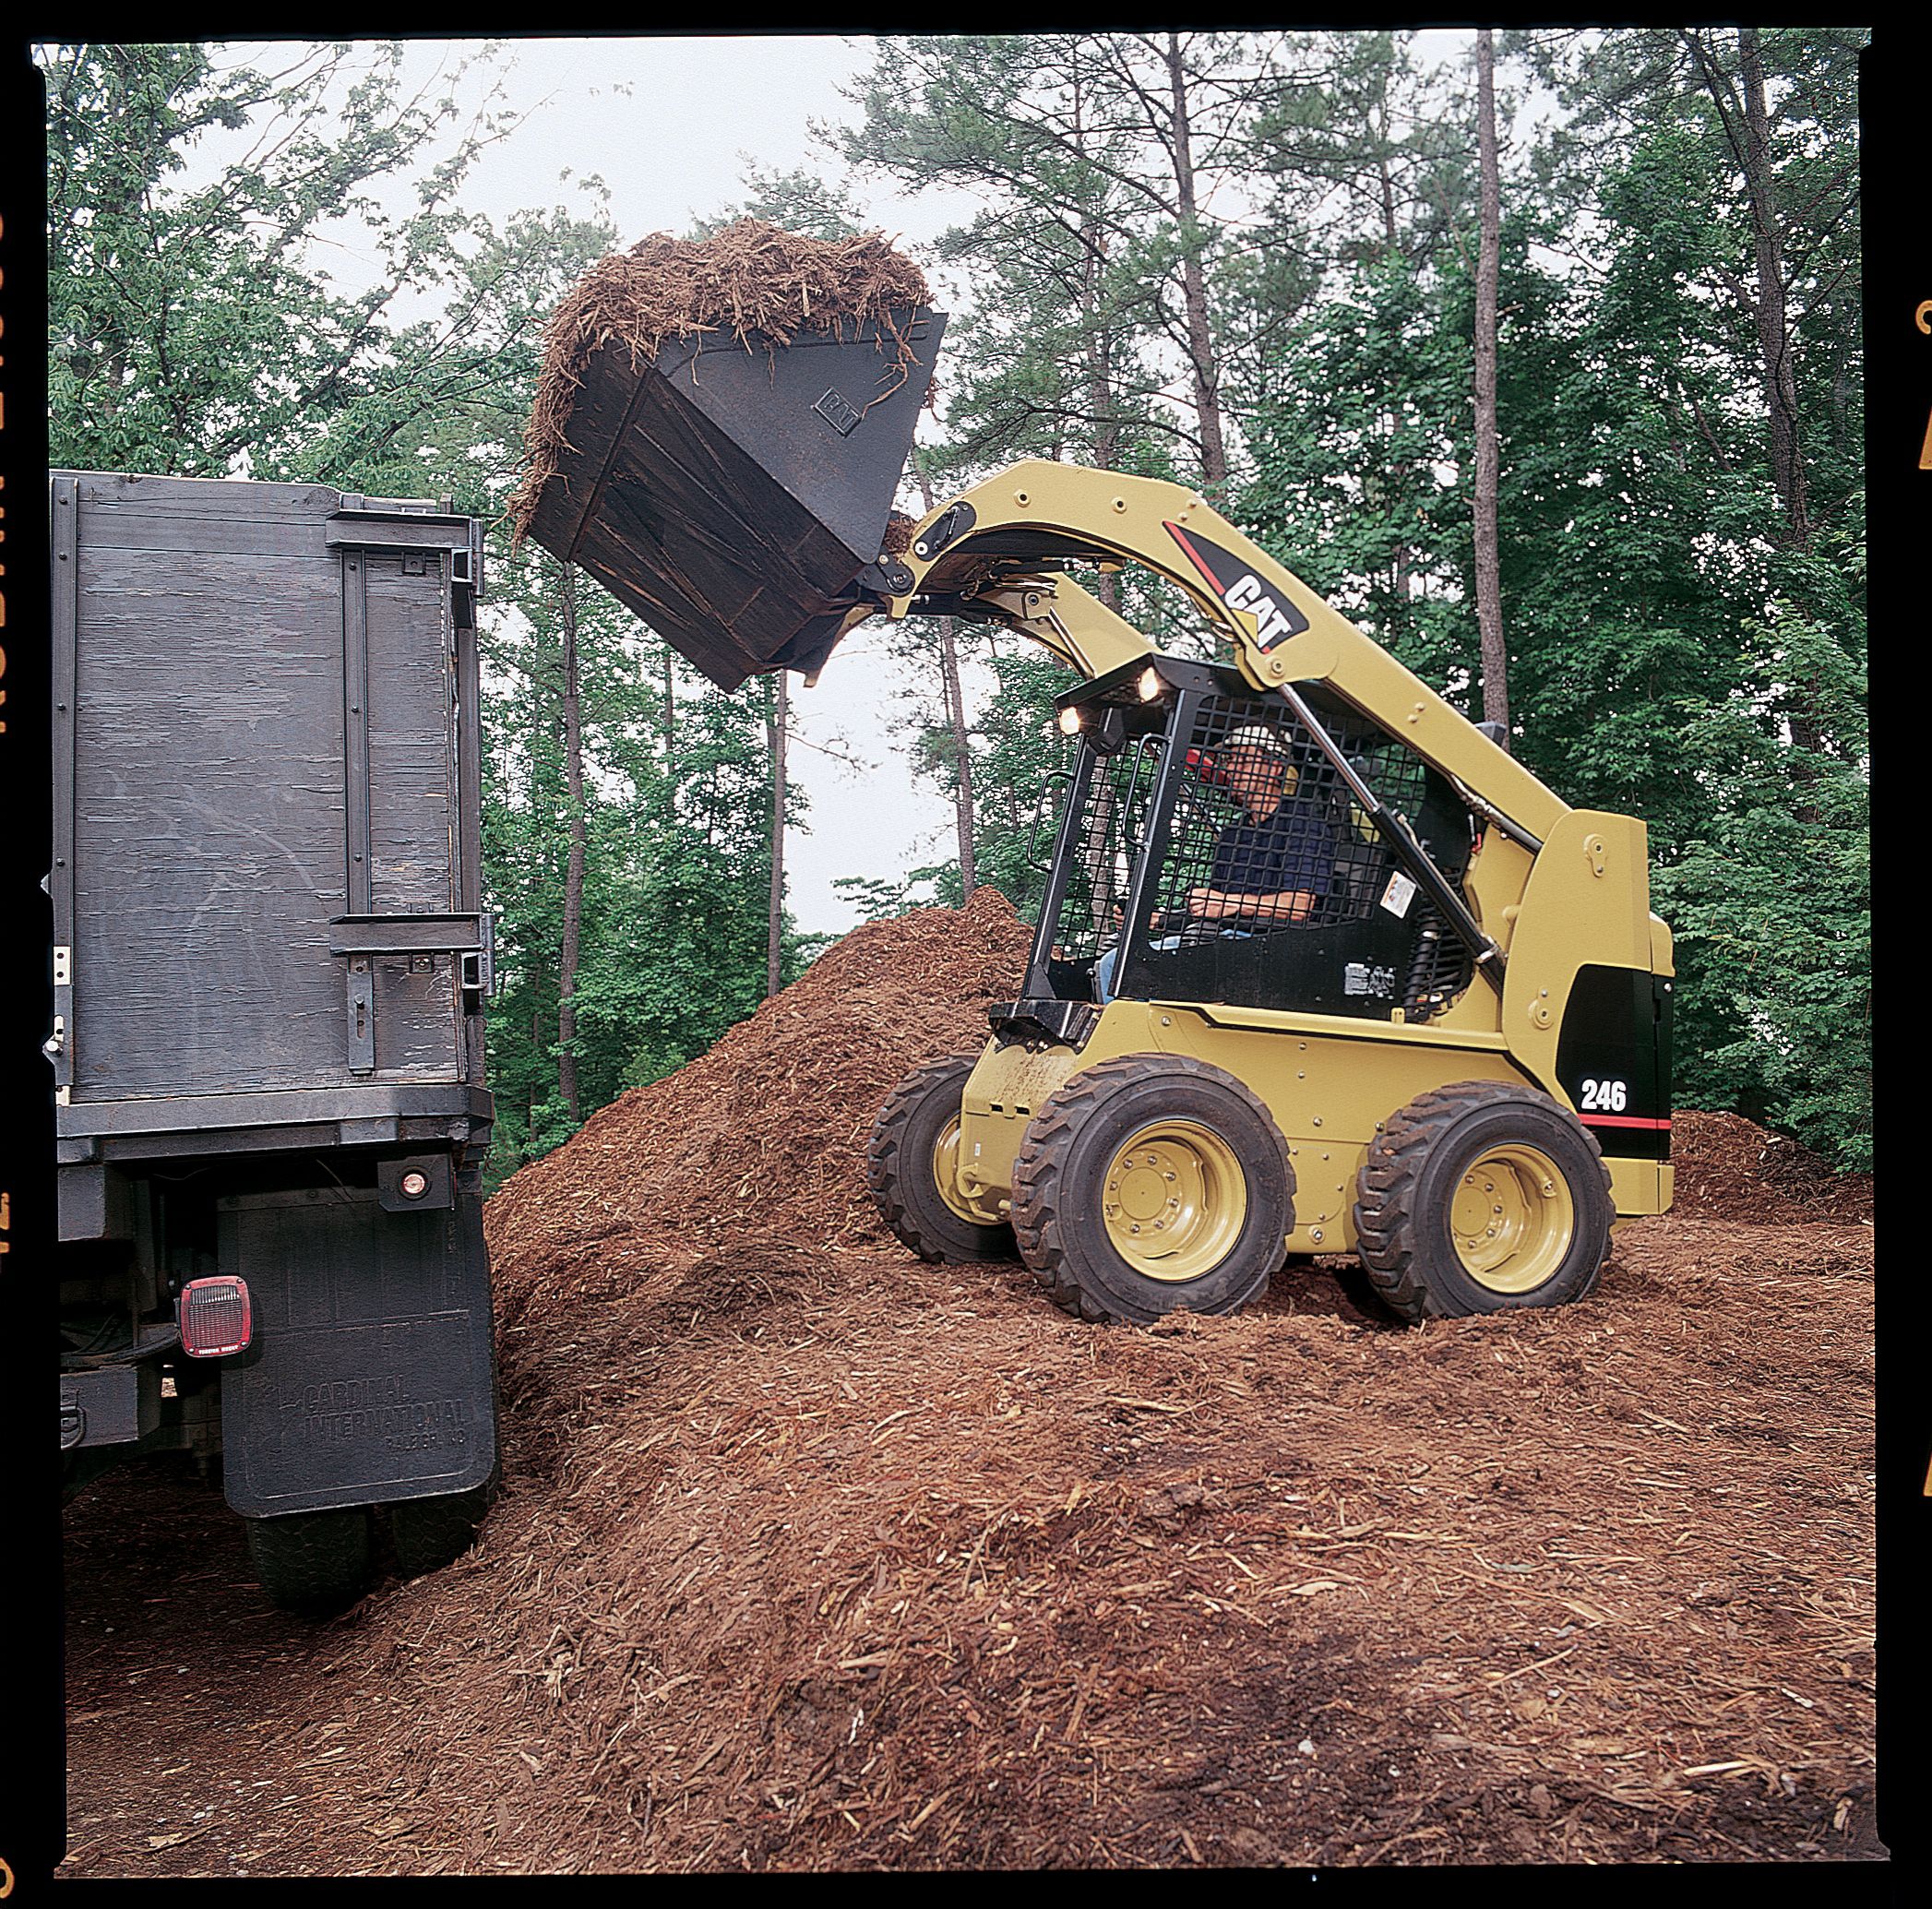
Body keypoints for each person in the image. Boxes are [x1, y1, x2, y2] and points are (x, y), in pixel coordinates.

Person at [1092, 724, 1336, 1003]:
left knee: (1118, 965)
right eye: (1230, 761)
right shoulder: (1234, 835)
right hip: (1224, 939)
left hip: (1272, 947)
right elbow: (1215, 910)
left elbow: (1299, 906)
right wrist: (1159, 920)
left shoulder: (1301, 825)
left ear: (1275, 768)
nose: (1232, 769)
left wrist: (1228, 902)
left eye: (1243, 760)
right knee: (1112, 957)